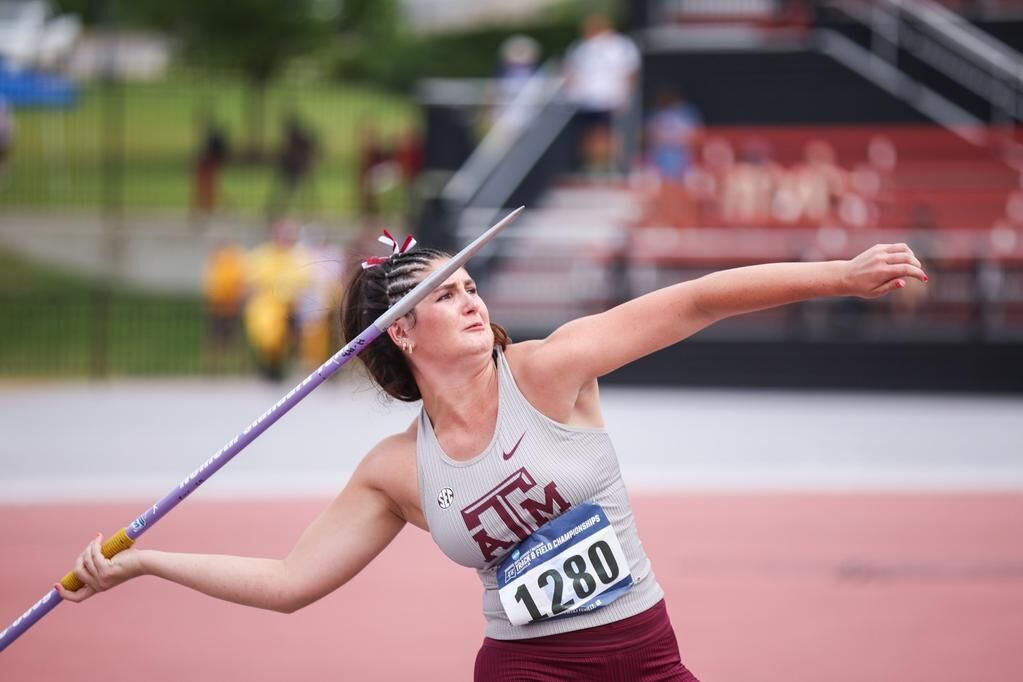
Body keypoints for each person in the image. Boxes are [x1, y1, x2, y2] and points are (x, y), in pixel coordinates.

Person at [56, 234, 928, 680]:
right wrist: (148, 565)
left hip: (642, 656)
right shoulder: (395, 470)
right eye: (446, 294)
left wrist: (837, 275)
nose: (471, 299)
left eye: (470, 284)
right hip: (523, 669)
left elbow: (695, 300)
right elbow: (290, 586)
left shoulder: (549, 371)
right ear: (402, 332)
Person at [563, 12, 641, 175]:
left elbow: (630, 73)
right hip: (586, 100)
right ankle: (592, 165)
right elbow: (571, 72)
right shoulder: (580, 47)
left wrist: (626, 96)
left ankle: (612, 165)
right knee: (588, 135)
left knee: (610, 134)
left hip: (611, 99)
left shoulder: (621, 46)